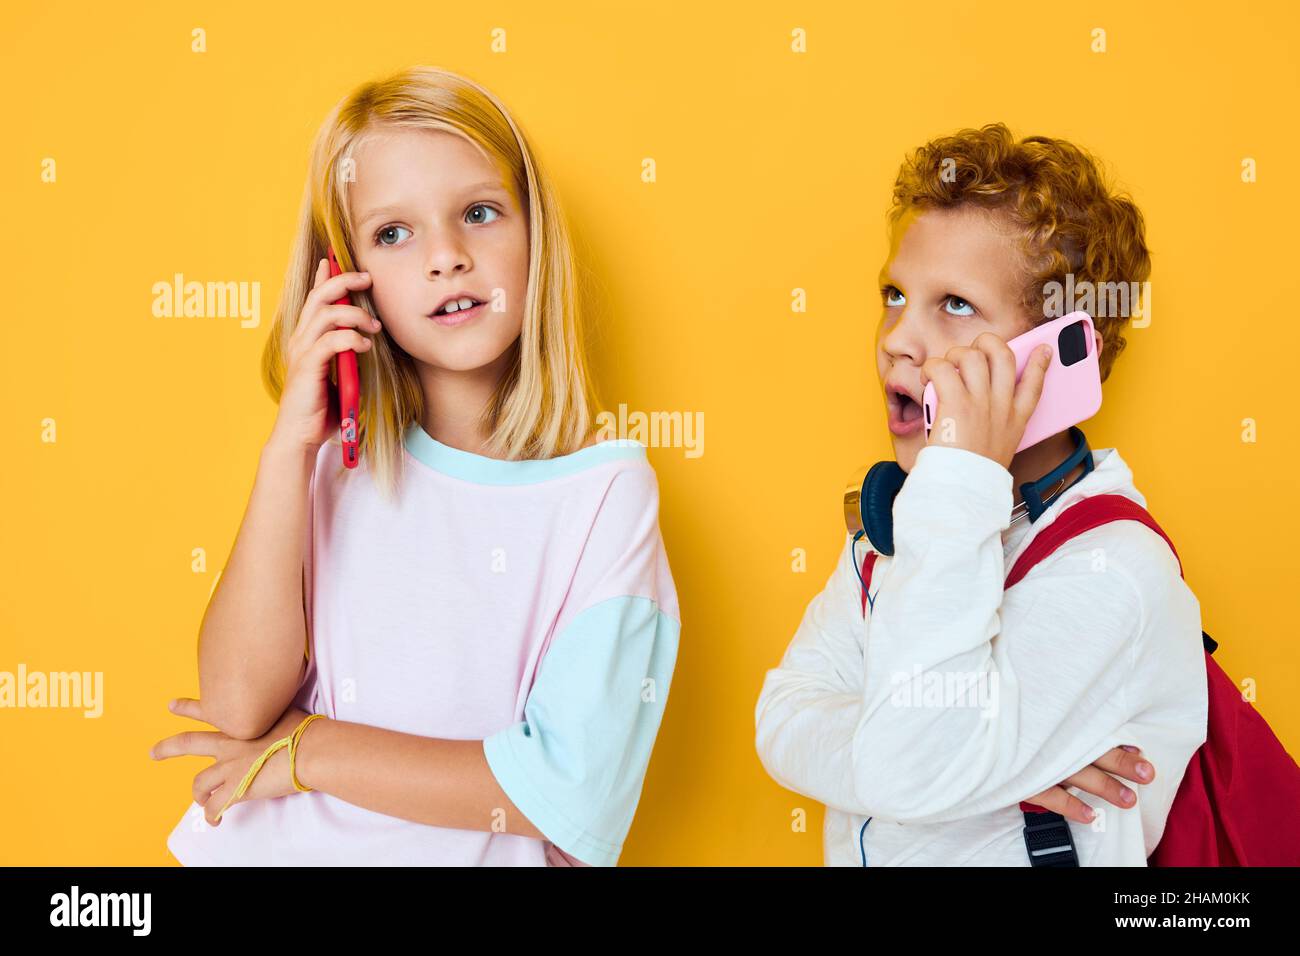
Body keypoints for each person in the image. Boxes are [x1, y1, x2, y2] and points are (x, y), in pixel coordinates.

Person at [153, 65, 680, 867]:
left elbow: (571, 802)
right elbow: (235, 706)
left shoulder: (604, 497)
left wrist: (309, 750)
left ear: (536, 235)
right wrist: (288, 451)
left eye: (478, 213)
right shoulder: (327, 468)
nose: (446, 258)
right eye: (393, 234)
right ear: (345, 280)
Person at [754, 123, 1207, 866]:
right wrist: (966, 772)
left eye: (955, 305)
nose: (898, 337)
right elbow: (782, 720)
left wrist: (962, 476)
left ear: (1057, 360)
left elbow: (913, 763)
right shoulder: (899, 528)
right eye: (895, 294)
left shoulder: (1115, 570)